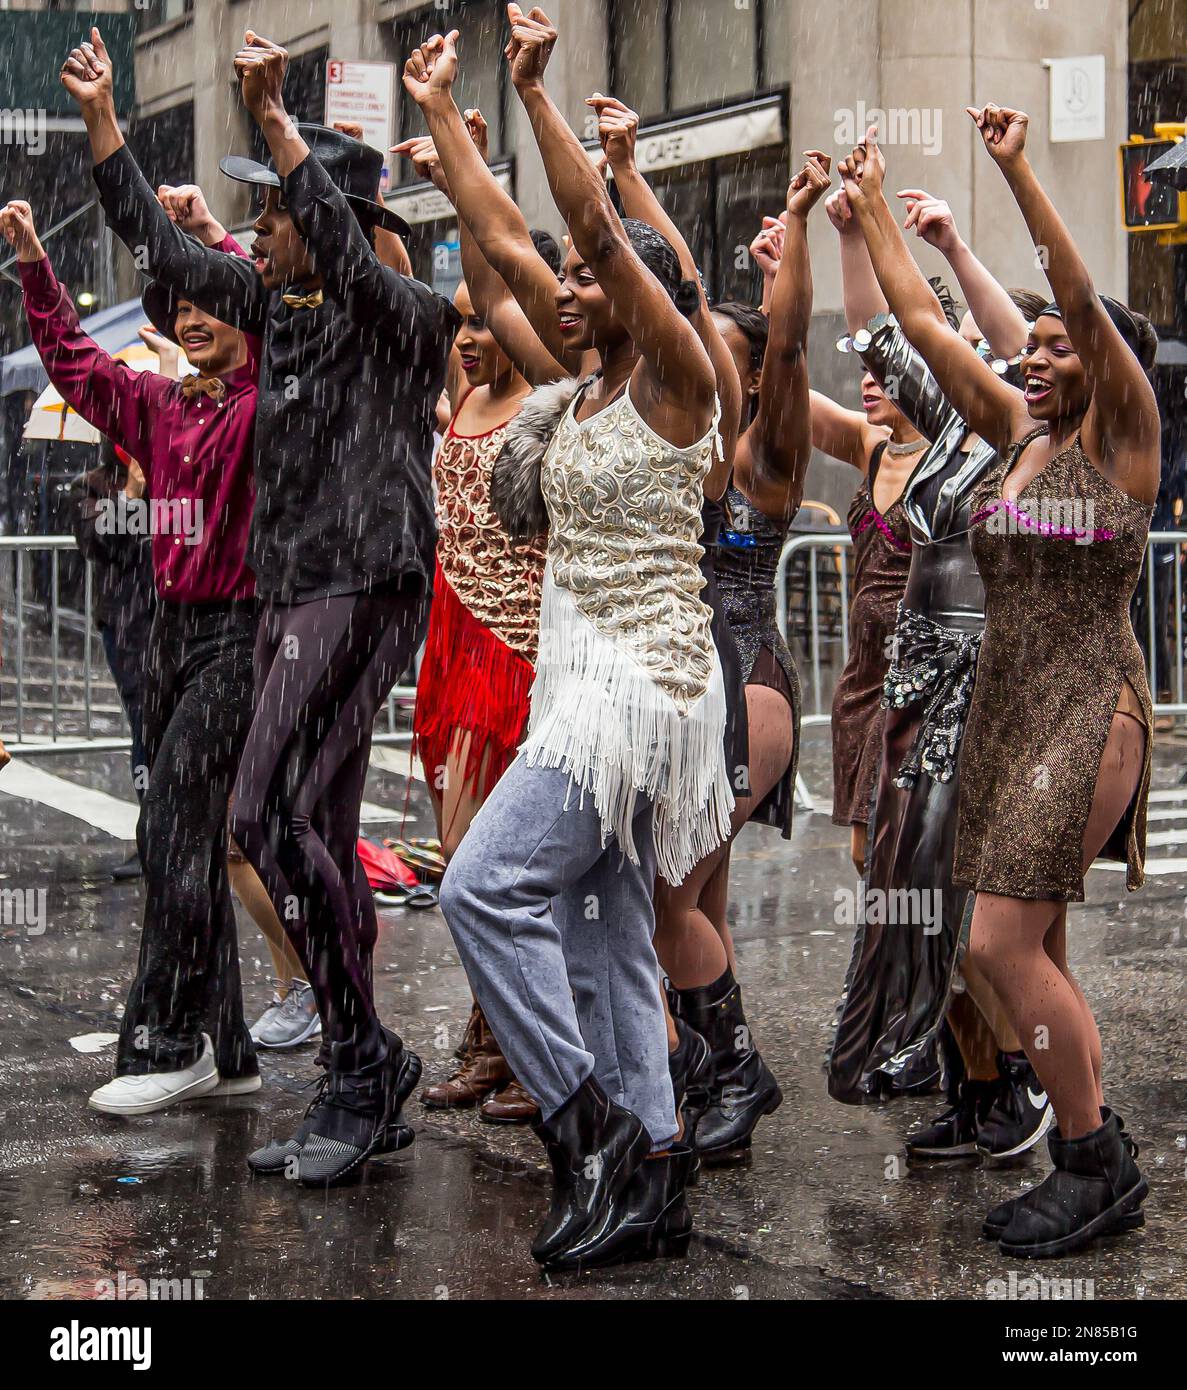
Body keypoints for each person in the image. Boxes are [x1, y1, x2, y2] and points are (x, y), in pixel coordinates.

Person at [62, 26, 458, 1183]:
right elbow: (159, 246)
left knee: (259, 816)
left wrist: (279, 126)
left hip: (362, 586)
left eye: (278, 212)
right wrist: (100, 126)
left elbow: (333, 232)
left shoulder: (402, 318)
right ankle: (359, 1072)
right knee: (314, 836)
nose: (262, 233)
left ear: (325, 211)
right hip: (291, 594)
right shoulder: (274, 308)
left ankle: (359, 1060)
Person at [415, 11, 727, 1270]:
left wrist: (537, 98)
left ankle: (581, 1124)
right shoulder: (577, 387)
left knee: (480, 888)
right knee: (598, 935)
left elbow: (589, 229)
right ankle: (652, 1170)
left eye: (591, 275)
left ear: (638, 287)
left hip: (637, 692)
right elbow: (501, 246)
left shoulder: (675, 379)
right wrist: (445, 115)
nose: (569, 282)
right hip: (575, 689)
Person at [838, 107, 1159, 1257]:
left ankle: (1093, 1160)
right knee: (1029, 952)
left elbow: (1072, 298)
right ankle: (1083, 1132)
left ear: (1105, 354)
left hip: (1086, 703)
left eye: (1057, 343)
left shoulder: (1120, 434)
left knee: (989, 945)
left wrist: (1016, 171)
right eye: (1031, 346)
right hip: (1001, 709)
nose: (1036, 350)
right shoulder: (1018, 428)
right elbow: (923, 325)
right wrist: (873, 209)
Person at [3, 195, 261, 1115]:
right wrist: (36, 265)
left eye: (206, 301)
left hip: (241, 638)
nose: (189, 318)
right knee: (180, 831)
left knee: (170, 829)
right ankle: (227, 1043)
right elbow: (74, 362)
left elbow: (272, 313)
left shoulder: (268, 397)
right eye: (176, 307)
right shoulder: (153, 403)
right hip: (167, 638)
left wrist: (219, 243)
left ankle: (168, 1038)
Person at [822, 168, 1056, 1165]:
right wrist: (853, 234)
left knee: (971, 913)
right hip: (914, 691)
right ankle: (967, 1080)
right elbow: (883, 331)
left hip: (985, 688)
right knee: (912, 902)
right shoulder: (950, 430)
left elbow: (925, 325)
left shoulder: (1024, 432)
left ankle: (1025, 1089)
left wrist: (920, 234)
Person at [391, 123, 565, 1124]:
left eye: (482, 321)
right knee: (460, 861)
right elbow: (421, 277)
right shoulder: (459, 393)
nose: (466, 334)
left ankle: (509, 1043)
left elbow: (503, 278)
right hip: (450, 646)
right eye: (456, 323)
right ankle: (497, 1032)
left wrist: (472, 180)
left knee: (484, 865)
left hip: (517, 651)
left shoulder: (539, 394)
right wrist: (441, 192)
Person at [70, 434, 155, 881]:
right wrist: (131, 495)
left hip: (180, 619)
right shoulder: (93, 486)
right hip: (129, 627)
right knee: (146, 726)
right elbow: (99, 546)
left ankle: (195, 836)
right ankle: (153, 838)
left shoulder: (177, 472)